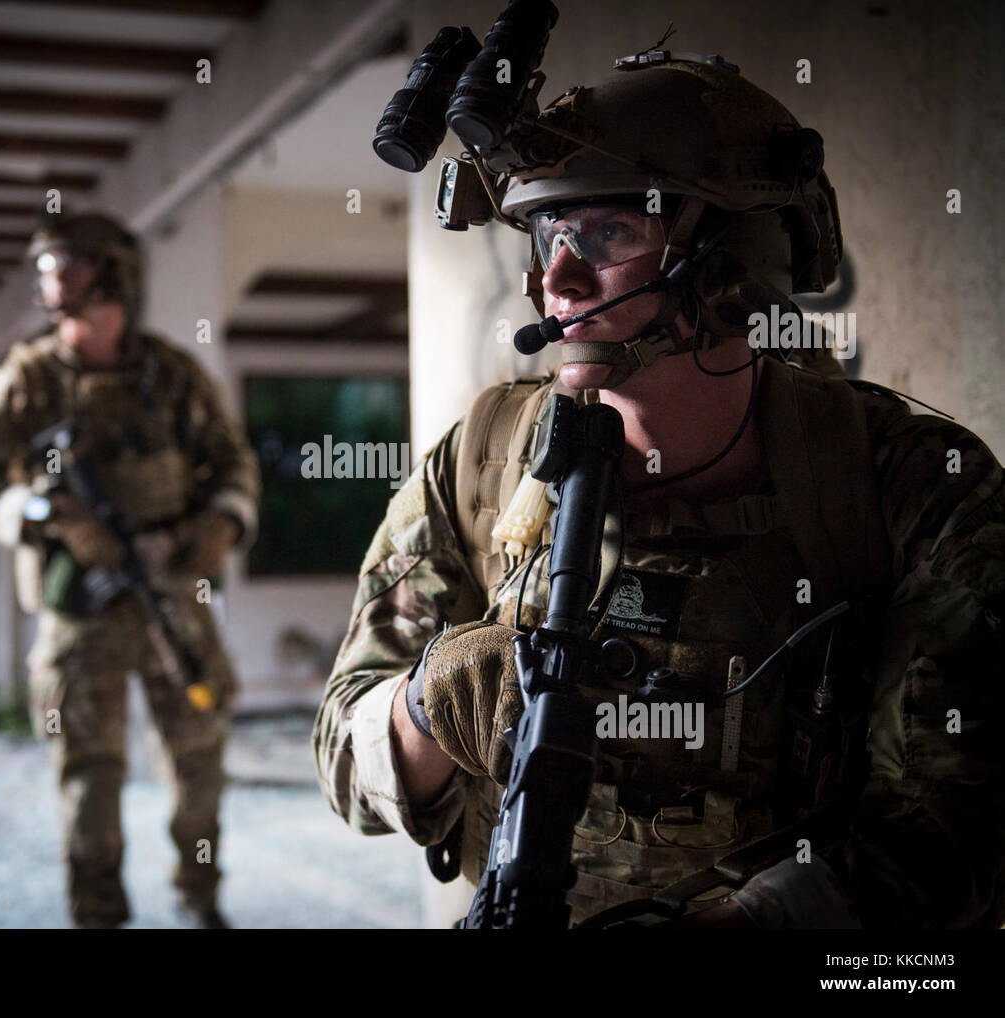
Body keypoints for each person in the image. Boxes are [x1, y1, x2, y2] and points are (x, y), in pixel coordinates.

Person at [314, 51, 1005, 928]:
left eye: (606, 234)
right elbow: (344, 763)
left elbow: (959, 832)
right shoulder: (480, 464)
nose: (556, 281)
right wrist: (426, 703)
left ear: (729, 264)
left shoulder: (912, 490)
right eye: (546, 233)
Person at [0, 212, 260, 929]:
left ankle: (199, 896)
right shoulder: (26, 380)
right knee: (87, 769)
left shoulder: (173, 374)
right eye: (47, 268)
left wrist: (223, 521)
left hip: (171, 589)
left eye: (69, 266)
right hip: (78, 600)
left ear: (115, 271)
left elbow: (233, 463)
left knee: (201, 749)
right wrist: (45, 515)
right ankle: (97, 912)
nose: (52, 282)